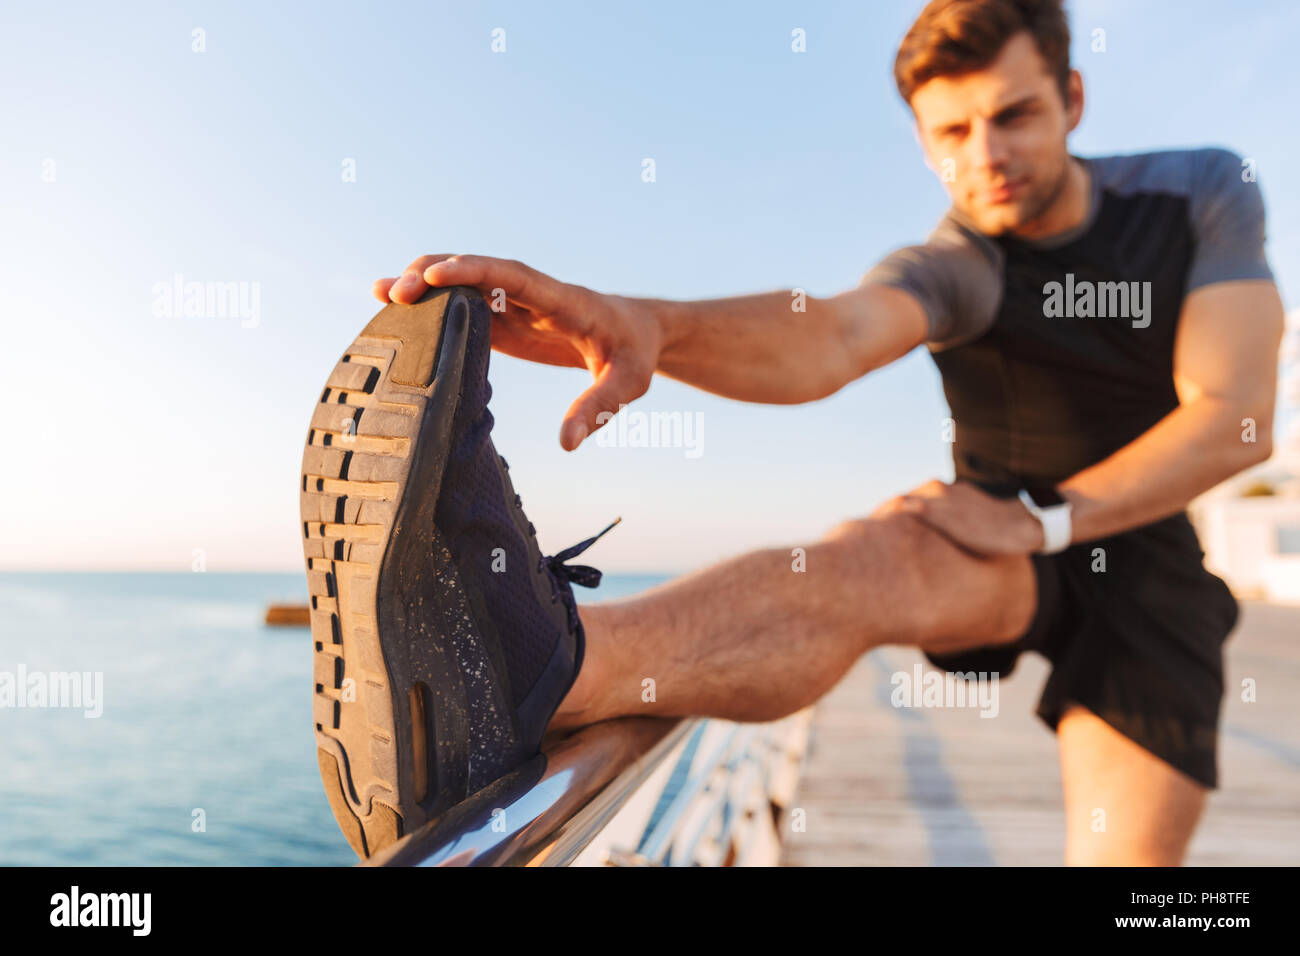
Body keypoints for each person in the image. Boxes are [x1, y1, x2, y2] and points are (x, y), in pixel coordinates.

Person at [302, 0, 1283, 864]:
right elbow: (834, 334)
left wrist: (1044, 520)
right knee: (865, 559)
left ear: (1071, 96)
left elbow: (1231, 420)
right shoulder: (959, 261)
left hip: (1134, 548)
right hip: (980, 533)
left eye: (1013, 115)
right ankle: (537, 668)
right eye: (950, 132)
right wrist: (649, 324)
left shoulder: (1198, 193)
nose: (984, 154)